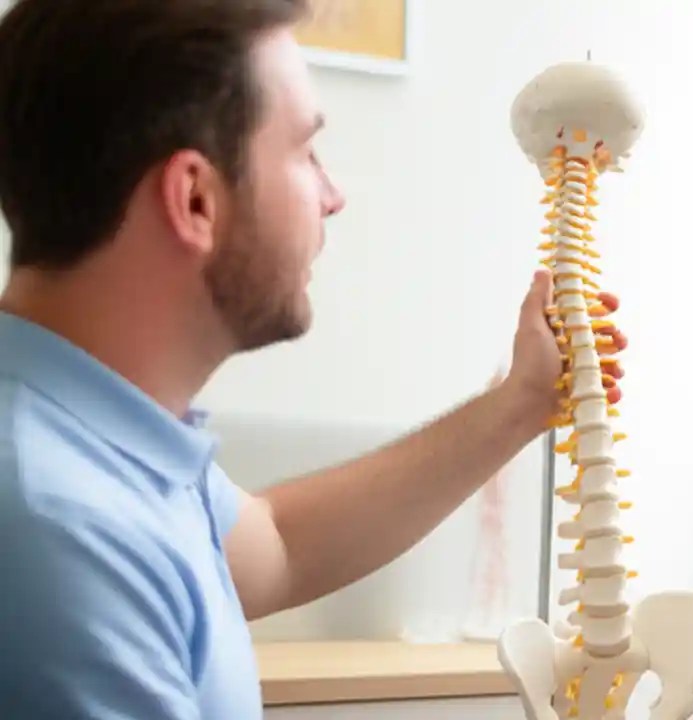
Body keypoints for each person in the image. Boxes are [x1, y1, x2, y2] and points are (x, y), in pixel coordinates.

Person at [0, 1, 626, 718]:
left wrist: (518, 404)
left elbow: (278, 545)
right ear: (195, 198)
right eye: (305, 152)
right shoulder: (56, 532)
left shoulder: (98, 447)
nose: (333, 196)